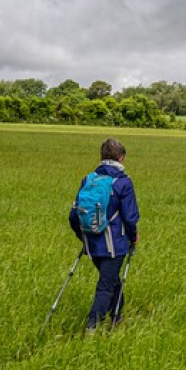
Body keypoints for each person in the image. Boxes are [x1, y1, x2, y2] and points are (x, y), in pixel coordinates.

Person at [69, 138, 140, 334]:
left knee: (111, 279)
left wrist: (83, 237)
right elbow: (130, 217)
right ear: (121, 158)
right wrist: (133, 237)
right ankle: (92, 326)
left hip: (91, 243)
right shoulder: (123, 182)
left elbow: (73, 215)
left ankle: (117, 316)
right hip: (114, 244)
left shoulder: (89, 179)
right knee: (106, 286)